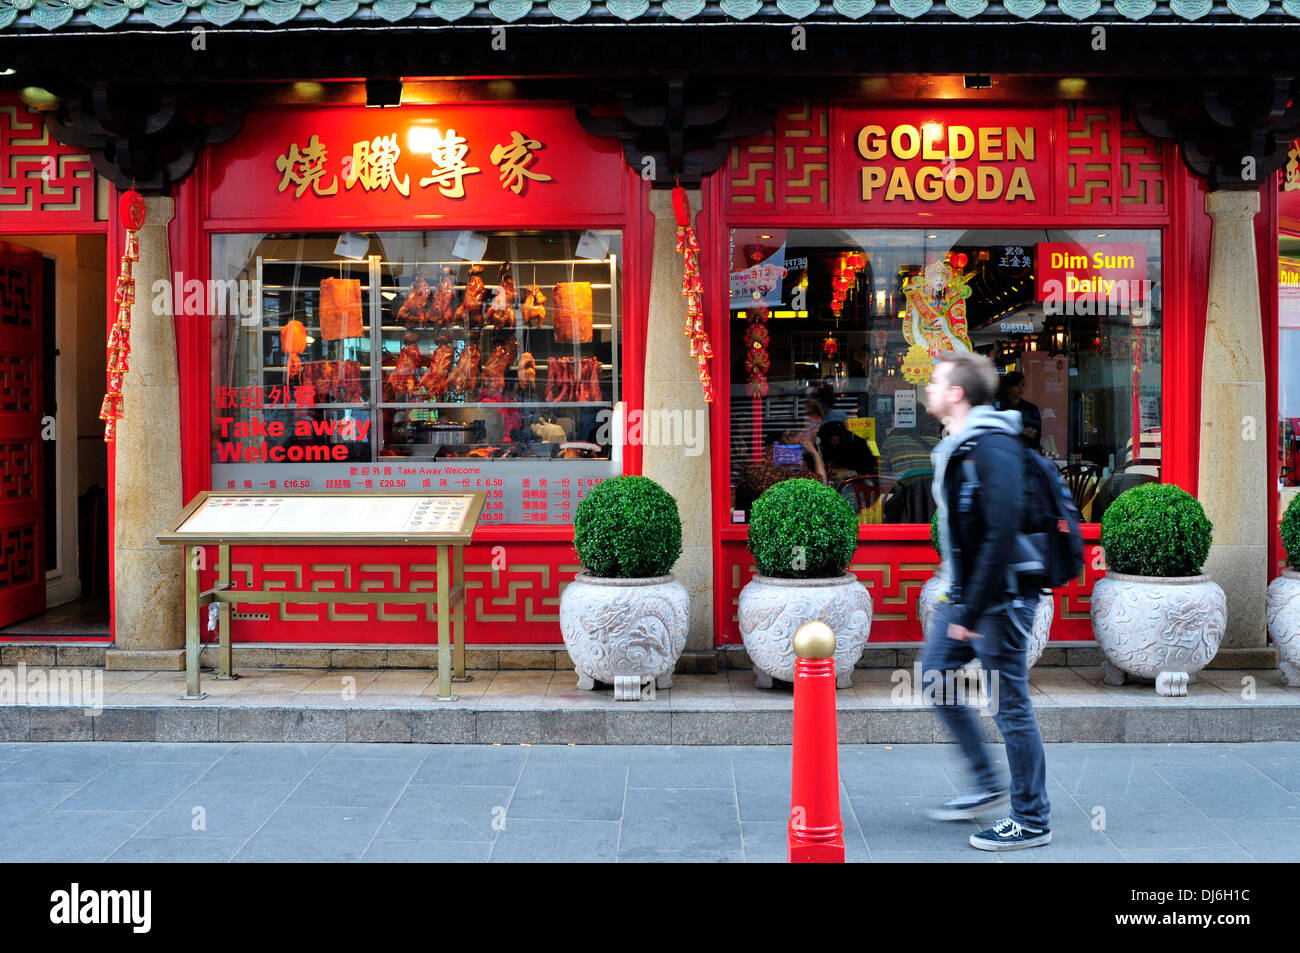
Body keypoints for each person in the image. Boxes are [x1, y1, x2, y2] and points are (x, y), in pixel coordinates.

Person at [921, 351, 1052, 851]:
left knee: (1009, 705)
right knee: (935, 674)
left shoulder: (992, 445)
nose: (929, 388)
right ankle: (985, 781)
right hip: (971, 592)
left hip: (1002, 597)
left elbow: (1000, 534)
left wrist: (970, 614)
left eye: (936, 381)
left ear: (957, 392)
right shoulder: (962, 442)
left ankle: (1032, 817)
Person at [998, 371, 1042, 452]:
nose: (1021, 388)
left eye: (1023, 385)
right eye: (1016, 385)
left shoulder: (1031, 409)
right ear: (1007, 387)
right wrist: (1021, 431)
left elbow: (1035, 436)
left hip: (1025, 454)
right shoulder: (999, 409)